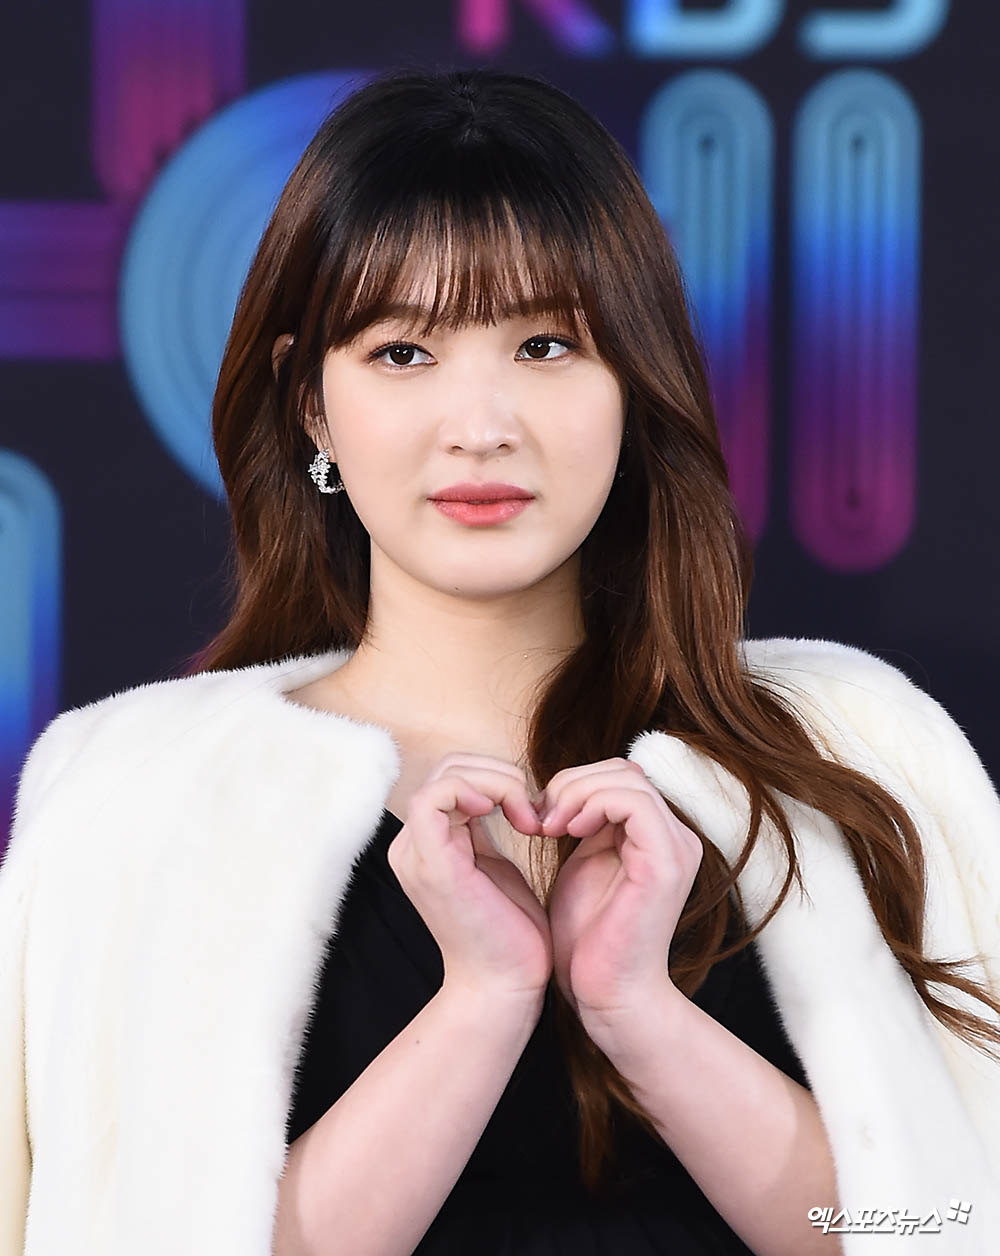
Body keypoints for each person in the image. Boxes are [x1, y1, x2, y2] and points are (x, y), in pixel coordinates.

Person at [2, 65, 999, 1256]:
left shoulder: (852, 754)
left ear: (633, 379)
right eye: (401, 353)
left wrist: (640, 1013)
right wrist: (481, 999)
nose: (480, 426)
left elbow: (944, 1222)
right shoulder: (144, 795)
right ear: (309, 404)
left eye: (544, 343)